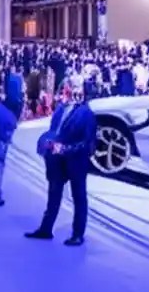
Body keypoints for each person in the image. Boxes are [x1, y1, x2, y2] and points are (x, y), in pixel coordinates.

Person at [27, 88, 97, 246]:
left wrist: (66, 149)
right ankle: (46, 229)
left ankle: (78, 234)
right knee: (53, 195)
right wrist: (46, 143)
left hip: (76, 161)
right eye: (65, 90)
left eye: (70, 90)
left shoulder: (86, 113)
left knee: (78, 197)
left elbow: (89, 144)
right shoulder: (59, 110)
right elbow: (53, 131)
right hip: (55, 160)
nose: (66, 94)